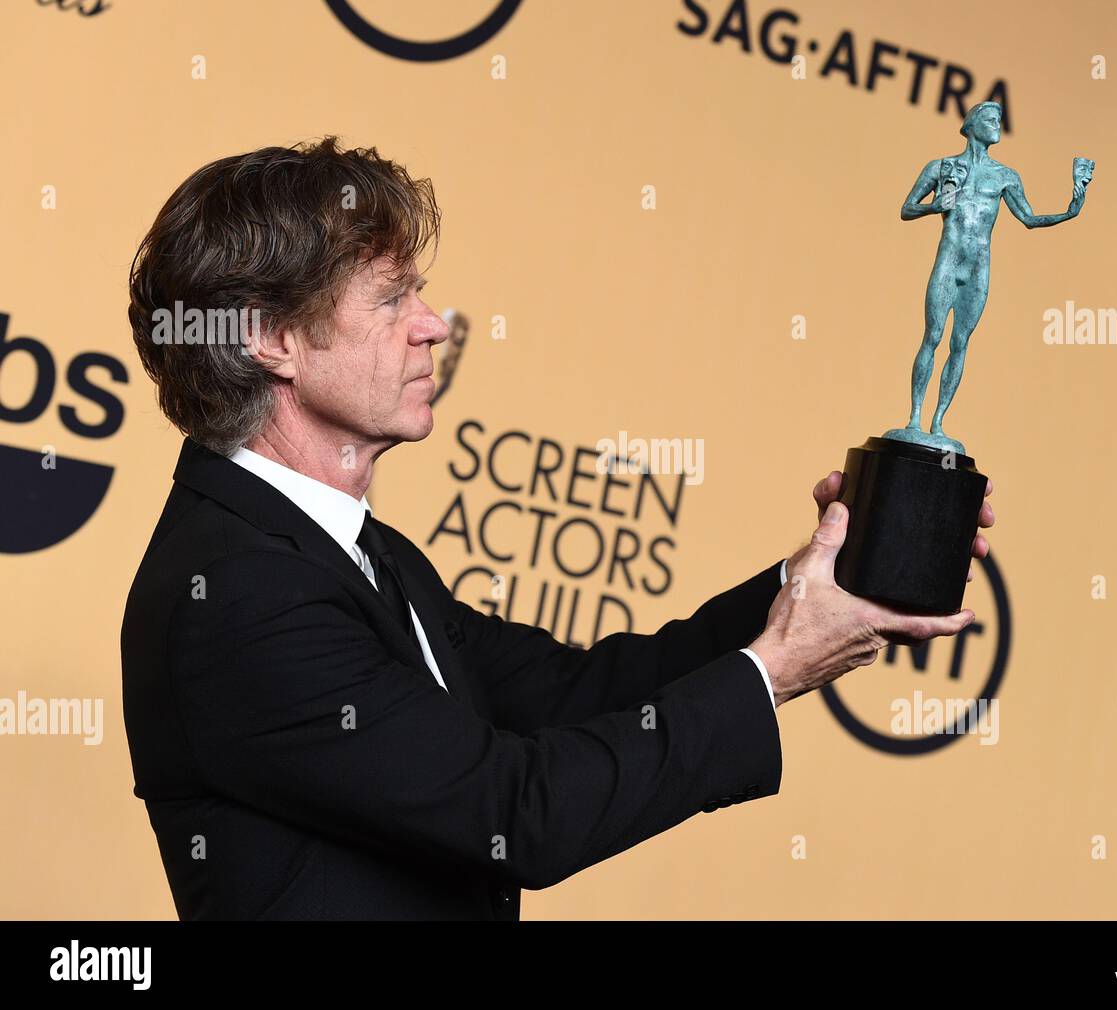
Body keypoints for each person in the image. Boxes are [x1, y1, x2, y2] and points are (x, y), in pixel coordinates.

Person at [121, 138, 995, 920]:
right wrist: (772, 670)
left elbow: (577, 695)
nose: (432, 325)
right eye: (391, 300)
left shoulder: (347, 552)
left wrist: (817, 581)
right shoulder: (237, 593)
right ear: (272, 338)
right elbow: (512, 814)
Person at [898, 101, 1089, 448]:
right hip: (949, 260)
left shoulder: (1004, 176)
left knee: (960, 343)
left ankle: (937, 422)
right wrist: (934, 207)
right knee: (933, 335)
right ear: (971, 125)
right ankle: (914, 417)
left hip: (977, 268)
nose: (998, 124)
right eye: (990, 118)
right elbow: (906, 208)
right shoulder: (943, 167)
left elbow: (1029, 219)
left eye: (999, 119)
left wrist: (1070, 210)